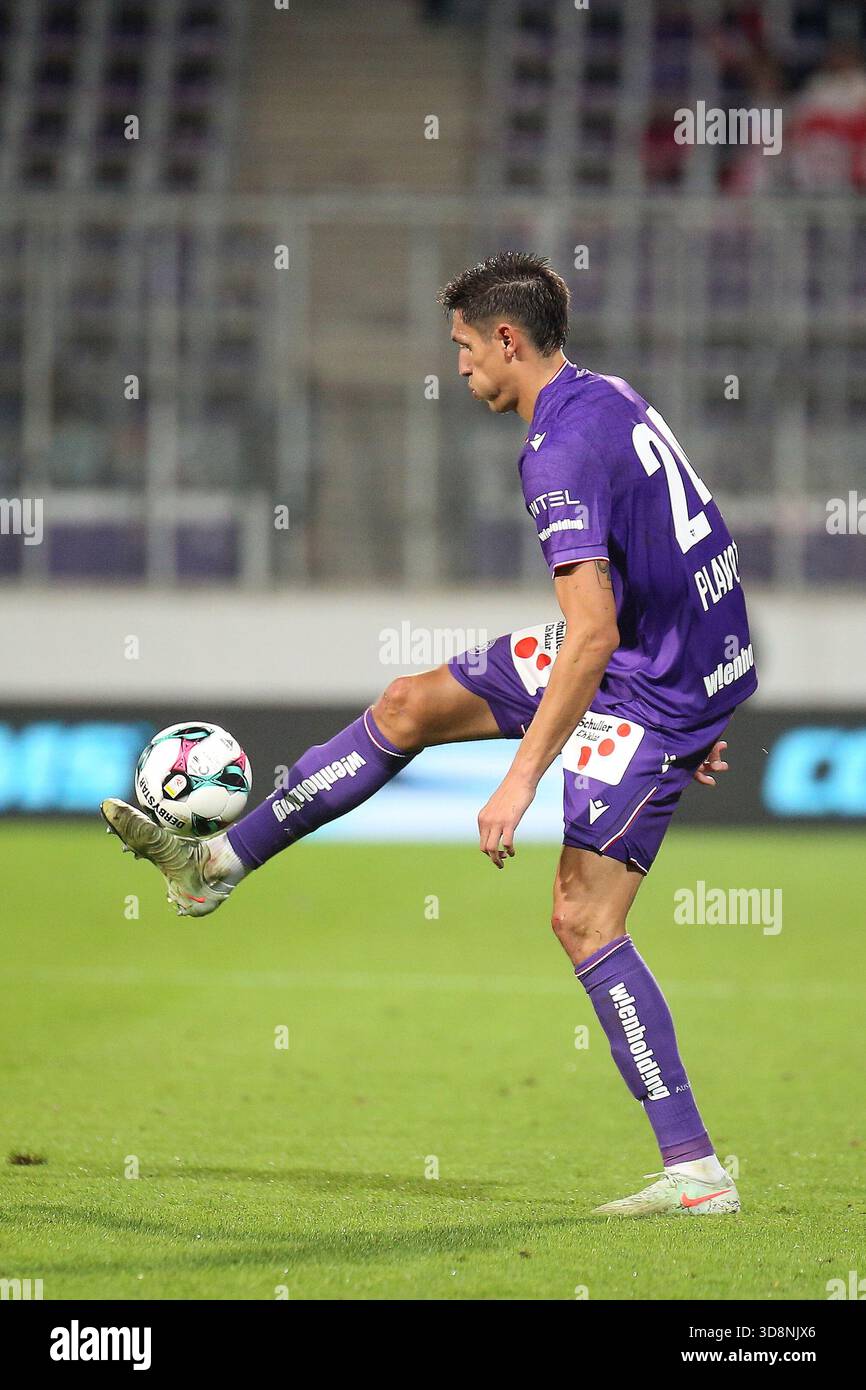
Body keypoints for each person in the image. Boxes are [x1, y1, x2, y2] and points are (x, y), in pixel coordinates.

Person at [102, 252, 757, 1217]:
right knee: (409, 705)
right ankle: (214, 868)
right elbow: (681, 538)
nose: (456, 368)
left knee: (583, 921)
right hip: (676, 659)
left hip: (646, 686)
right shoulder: (603, 398)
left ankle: (695, 1173)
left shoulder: (557, 453)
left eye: (461, 347)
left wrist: (522, 779)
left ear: (507, 339)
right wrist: (703, 680)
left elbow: (592, 632)